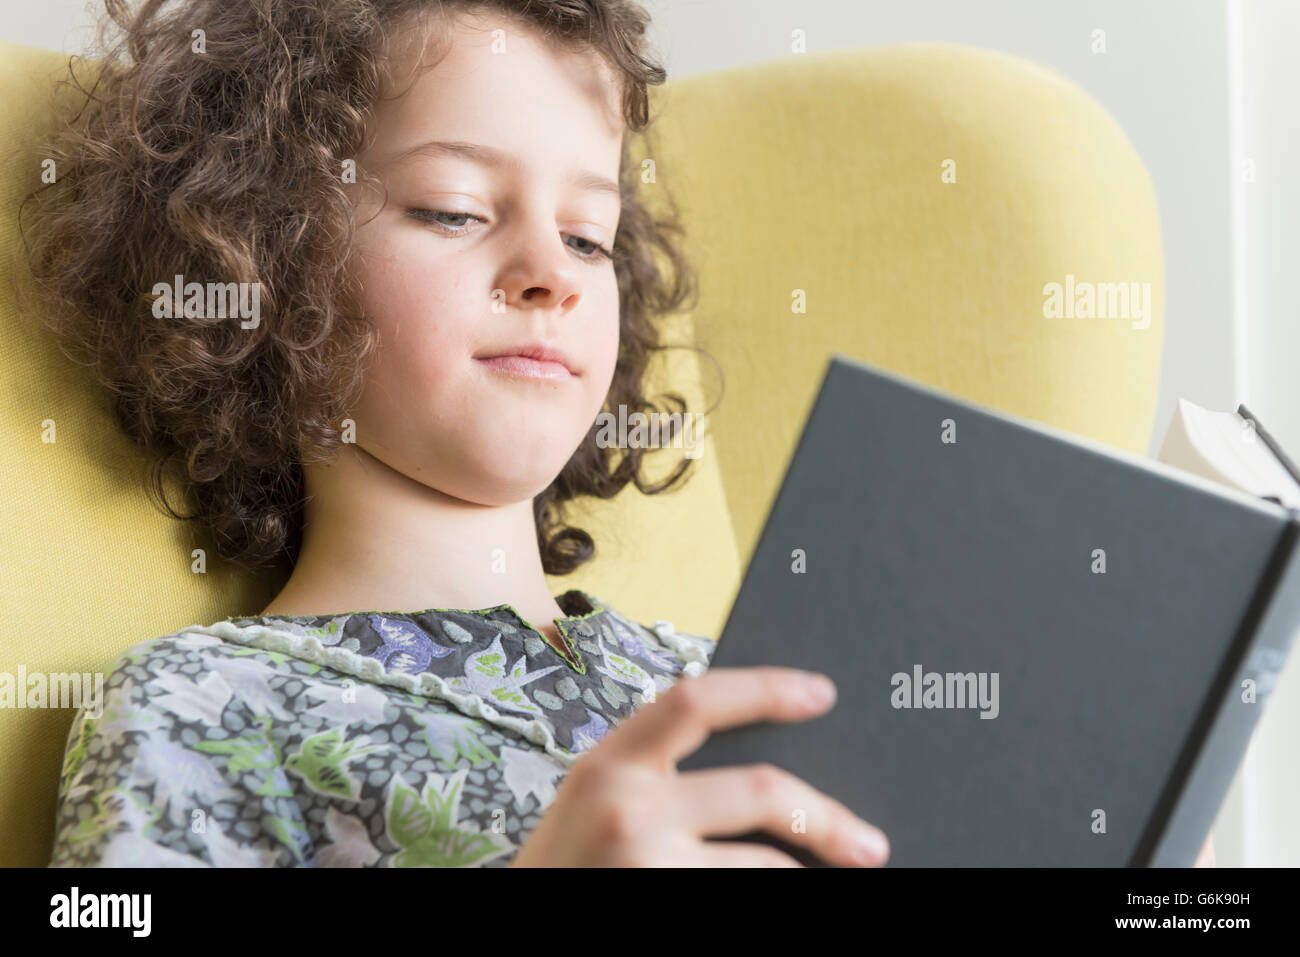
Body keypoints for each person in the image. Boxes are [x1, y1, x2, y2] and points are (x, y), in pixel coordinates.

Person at [32, 0, 890, 867]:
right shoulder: (203, 705)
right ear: (264, 254)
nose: (553, 272)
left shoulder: (735, 689)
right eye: (454, 210)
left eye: (587, 238)